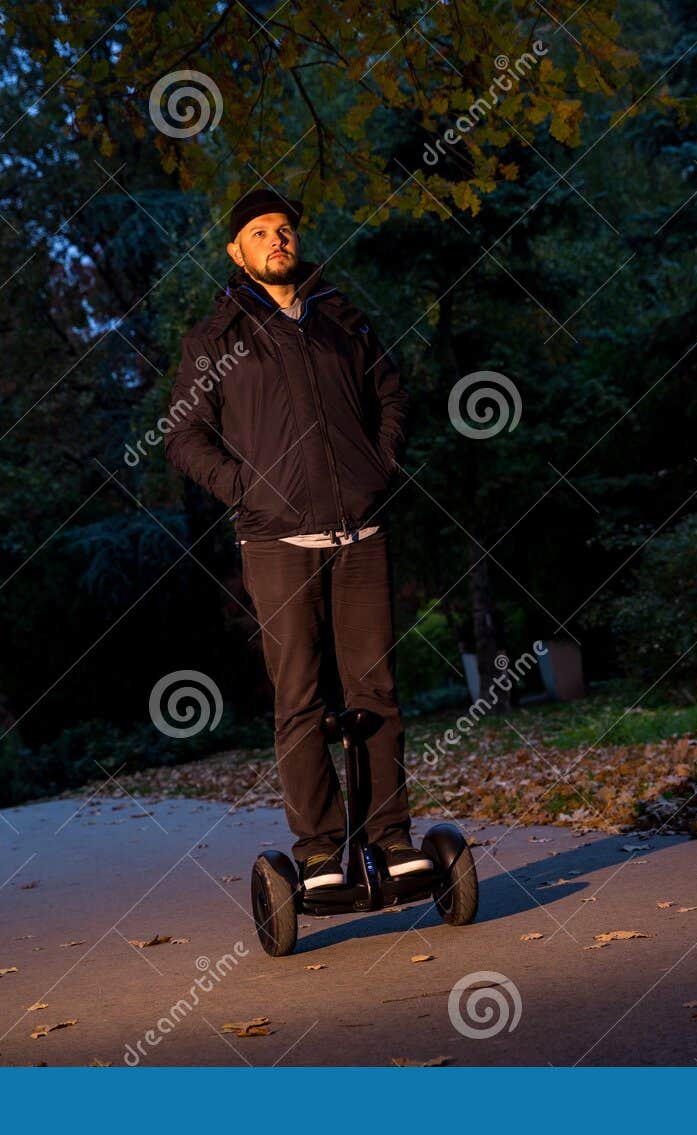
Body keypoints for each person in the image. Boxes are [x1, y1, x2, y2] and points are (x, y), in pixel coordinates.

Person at [164, 187, 429, 892]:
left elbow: (393, 395)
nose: (276, 239)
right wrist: (246, 487)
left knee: (377, 691)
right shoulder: (214, 339)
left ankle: (391, 838)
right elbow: (184, 436)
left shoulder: (344, 319)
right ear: (236, 251)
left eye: (284, 228)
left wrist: (380, 464)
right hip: (277, 544)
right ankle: (318, 851)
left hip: (361, 533)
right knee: (300, 698)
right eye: (259, 232)